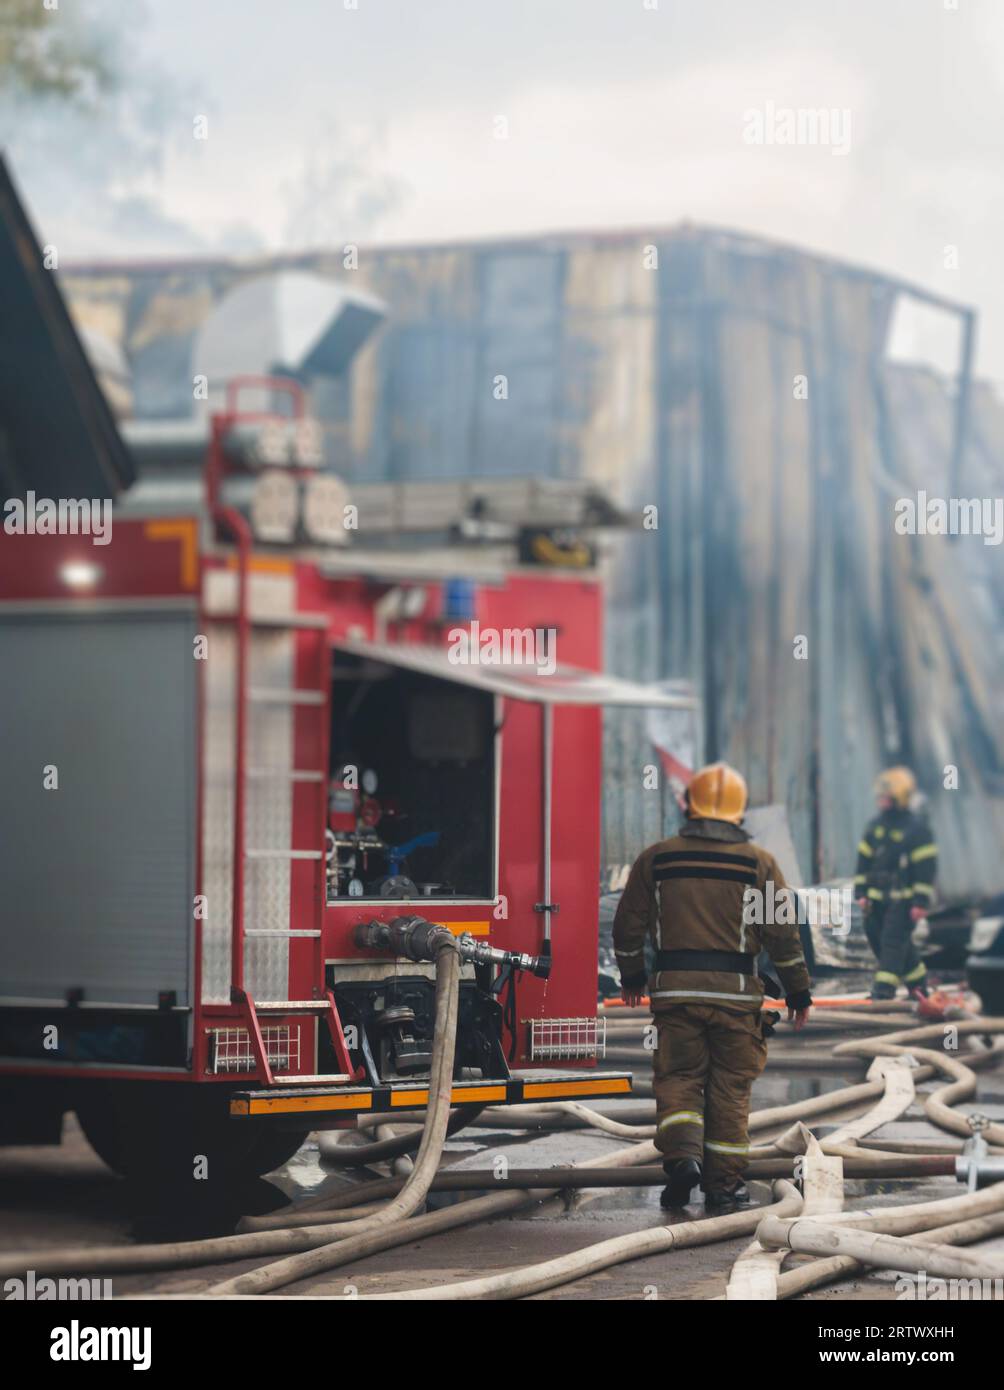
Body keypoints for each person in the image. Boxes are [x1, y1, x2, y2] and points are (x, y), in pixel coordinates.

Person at [613, 762, 812, 1211]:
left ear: (691, 805)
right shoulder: (760, 863)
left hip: (675, 995)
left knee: (679, 1079)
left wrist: (631, 977)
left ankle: (683, 1159)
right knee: (729, 1090)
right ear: (739, 813)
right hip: (738, 999)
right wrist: (798, 993)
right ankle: (723, 1188)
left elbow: (628, 923)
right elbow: (783, 934)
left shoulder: (658, 858)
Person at [854, 766, 937, 1001]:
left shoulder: (917, 830)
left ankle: (883, 991)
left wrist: (921, 901)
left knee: (892, 942)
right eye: (879, 797)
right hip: (877, 900)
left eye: (886, 797)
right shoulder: (875, 827)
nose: (881, 801)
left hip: (904, 900)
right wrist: (861, 891)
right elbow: (864, 862)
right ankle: (918, 985)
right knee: (882, 939)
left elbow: (925, 869)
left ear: (900, 797)